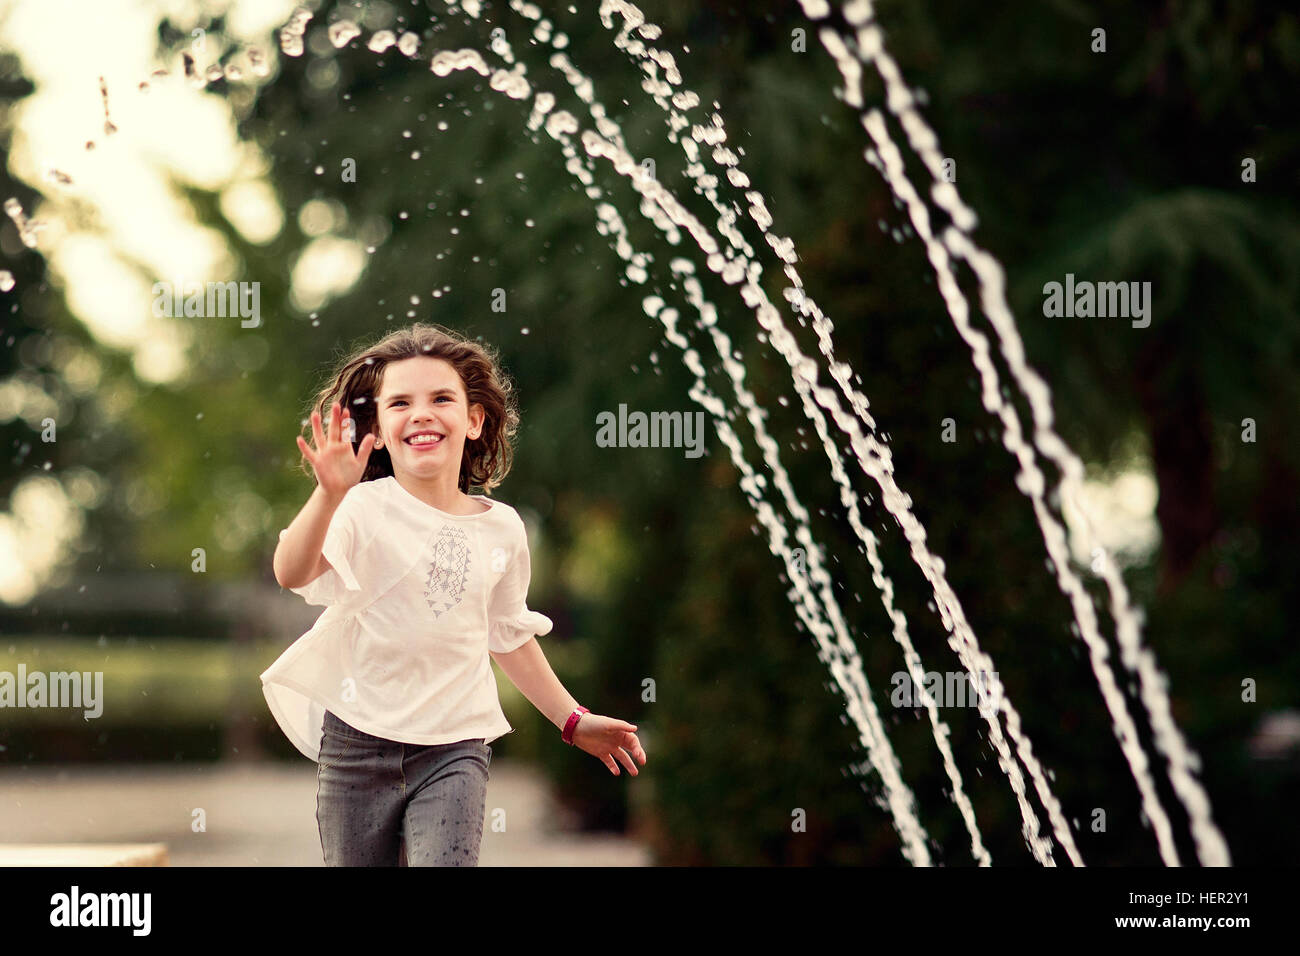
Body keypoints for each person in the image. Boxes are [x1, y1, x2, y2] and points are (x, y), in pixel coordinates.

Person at [263, 322, 646, 866]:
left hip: (454, 749)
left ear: (474, 419)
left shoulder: (503, 528)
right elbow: (291, 572)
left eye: (441, 398)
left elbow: (508, 634)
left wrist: (572, 719)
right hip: (356, 745)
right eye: (400, 402)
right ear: (377, 427)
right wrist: (328, 495)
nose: (421, 412)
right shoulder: (361, 508)